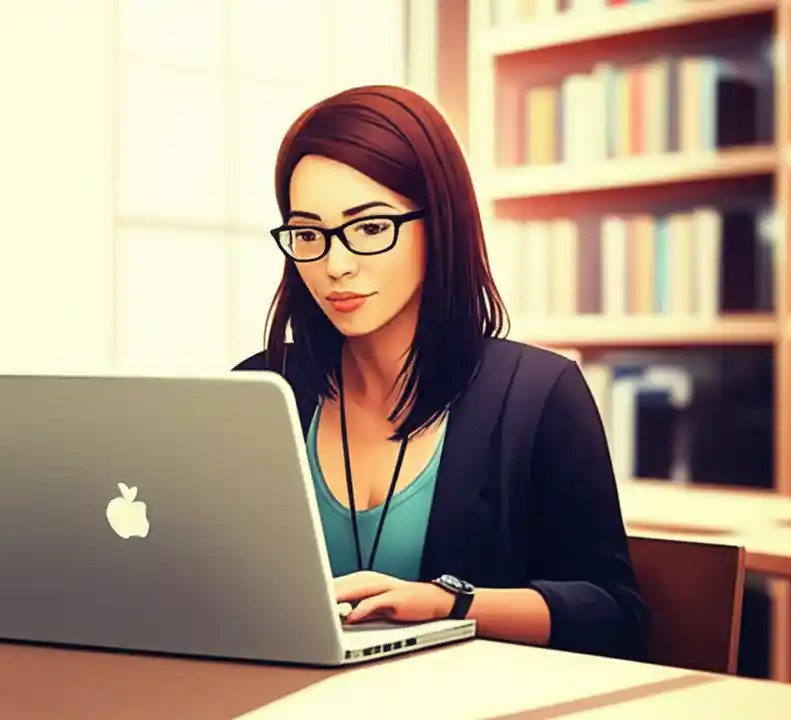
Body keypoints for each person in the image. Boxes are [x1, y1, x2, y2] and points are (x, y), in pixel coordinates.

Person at [232, 85, 648, 661]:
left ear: (440, 223)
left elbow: (614, 614)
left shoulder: (538, 394)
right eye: (308, 234)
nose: (336, 265)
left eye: (370, 228)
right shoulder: (260, 391)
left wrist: (450, 604)